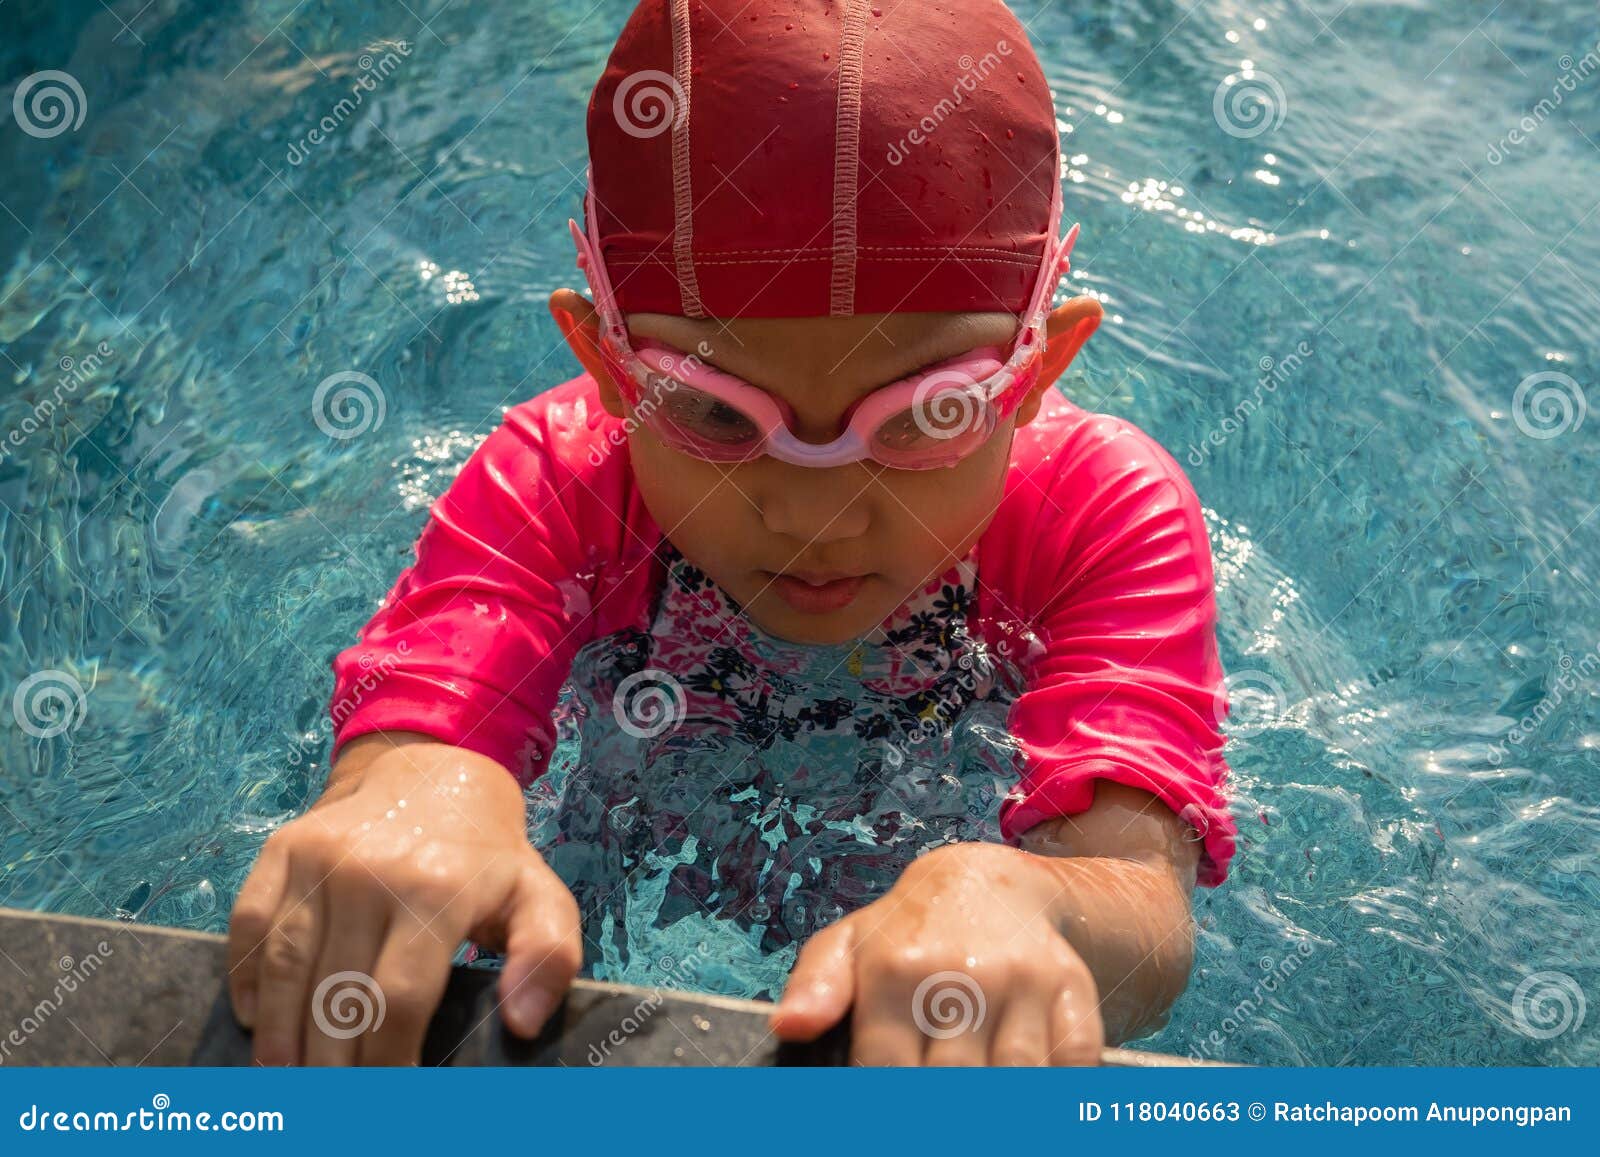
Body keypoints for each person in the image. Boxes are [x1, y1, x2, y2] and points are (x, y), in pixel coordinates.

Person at [226, 0, 1237, 1066]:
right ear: (606, 365)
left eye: (924, 415)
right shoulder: (557, 475)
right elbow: (420, 728)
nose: (814, 512)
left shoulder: (1098, 514)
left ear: (1038, 374)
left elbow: (1141, 908)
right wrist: (419, 798)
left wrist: (1017, 896)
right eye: (712, 410)